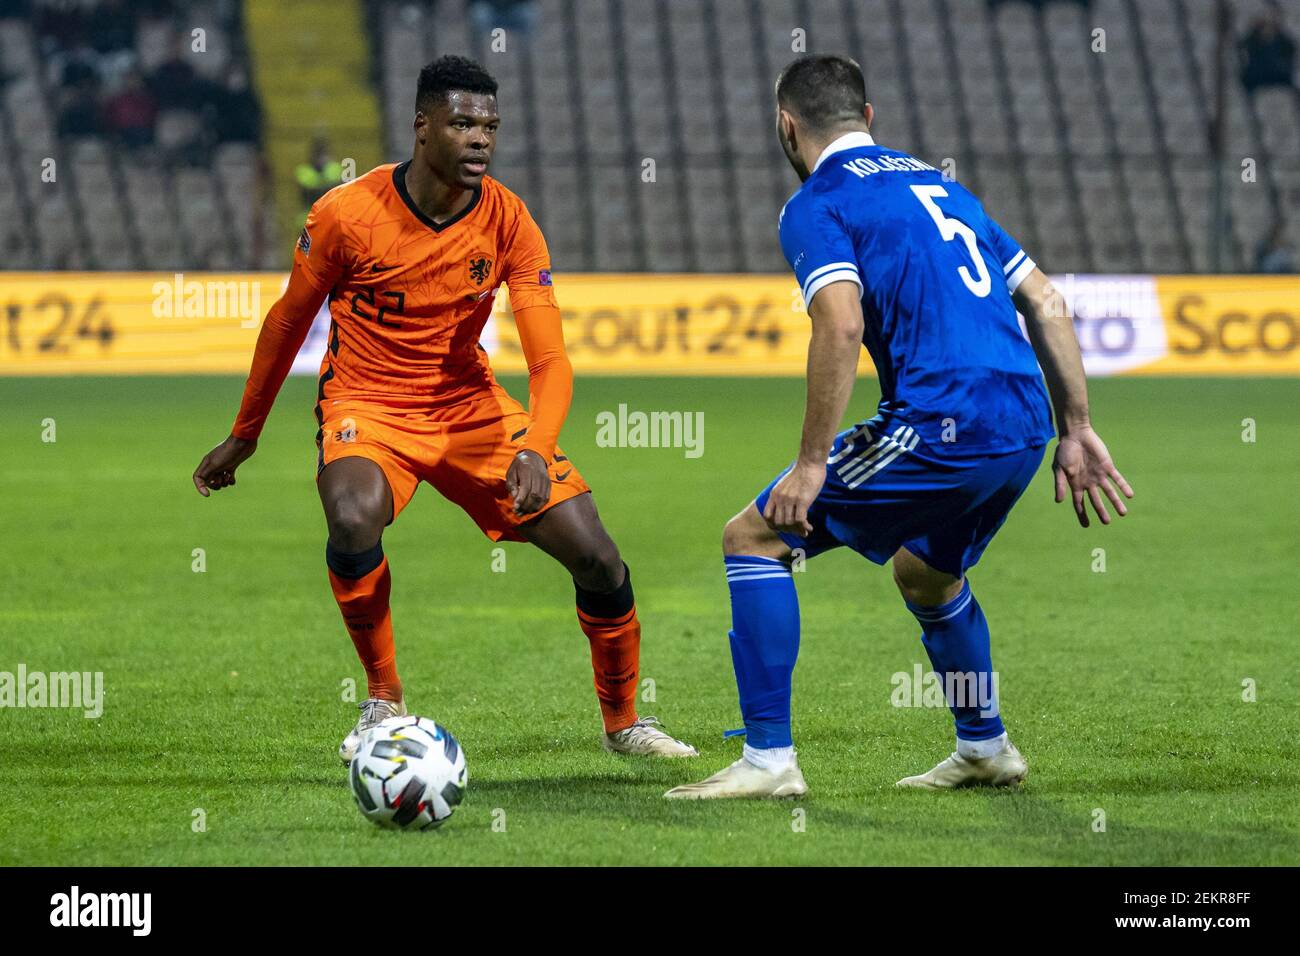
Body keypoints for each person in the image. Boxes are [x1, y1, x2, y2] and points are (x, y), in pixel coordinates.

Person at [192, 55, 696, 763]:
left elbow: (550, 360)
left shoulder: (509, 220)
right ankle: (383, 697)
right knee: (352, 515)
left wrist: (536, 447)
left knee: (597, 556)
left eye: (490, 126)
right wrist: (244, 435)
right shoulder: (346, 214)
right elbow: (284, 325)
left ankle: (624, 724)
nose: (481, 139)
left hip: (470, 408)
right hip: (367, 403)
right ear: (422, 128)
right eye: (463, 123)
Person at [666, 55, 1132, 799]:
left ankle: (767, 760)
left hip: (943, 421)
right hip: (1022, 425)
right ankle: (985, 748)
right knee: (927, 571)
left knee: (753, 536)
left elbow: (840, 321)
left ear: (788, 126)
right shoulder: (943, 185)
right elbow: (1045, 300)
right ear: (869, 116)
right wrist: (1075, 426)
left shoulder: (817, 203)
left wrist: (812, 462)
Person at [1240, 2, 1297, 95]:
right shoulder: (1252, 38)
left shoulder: (1281, 38)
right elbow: (1243, 48)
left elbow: (1291, 50)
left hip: (1278, 72)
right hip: (1257, 73)